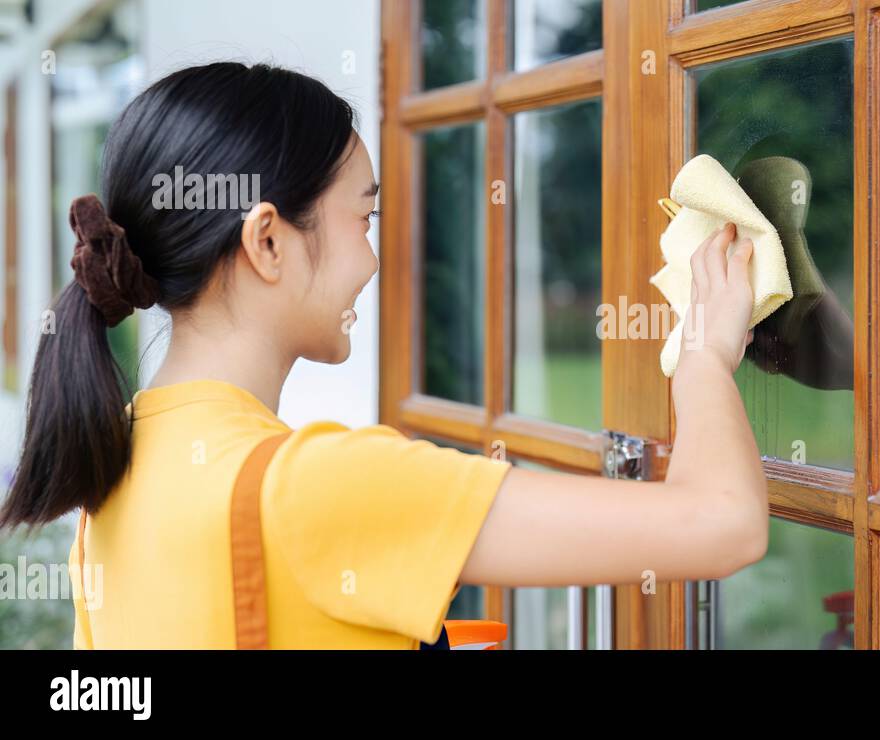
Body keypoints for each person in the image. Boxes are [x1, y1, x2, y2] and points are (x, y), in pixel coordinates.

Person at [0, 62, 768, 649]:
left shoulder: (115, 457)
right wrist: (702, 357)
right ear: (268, 241)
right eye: (362, 218)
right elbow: (724, 525)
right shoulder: (319, 486)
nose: (372, 262)